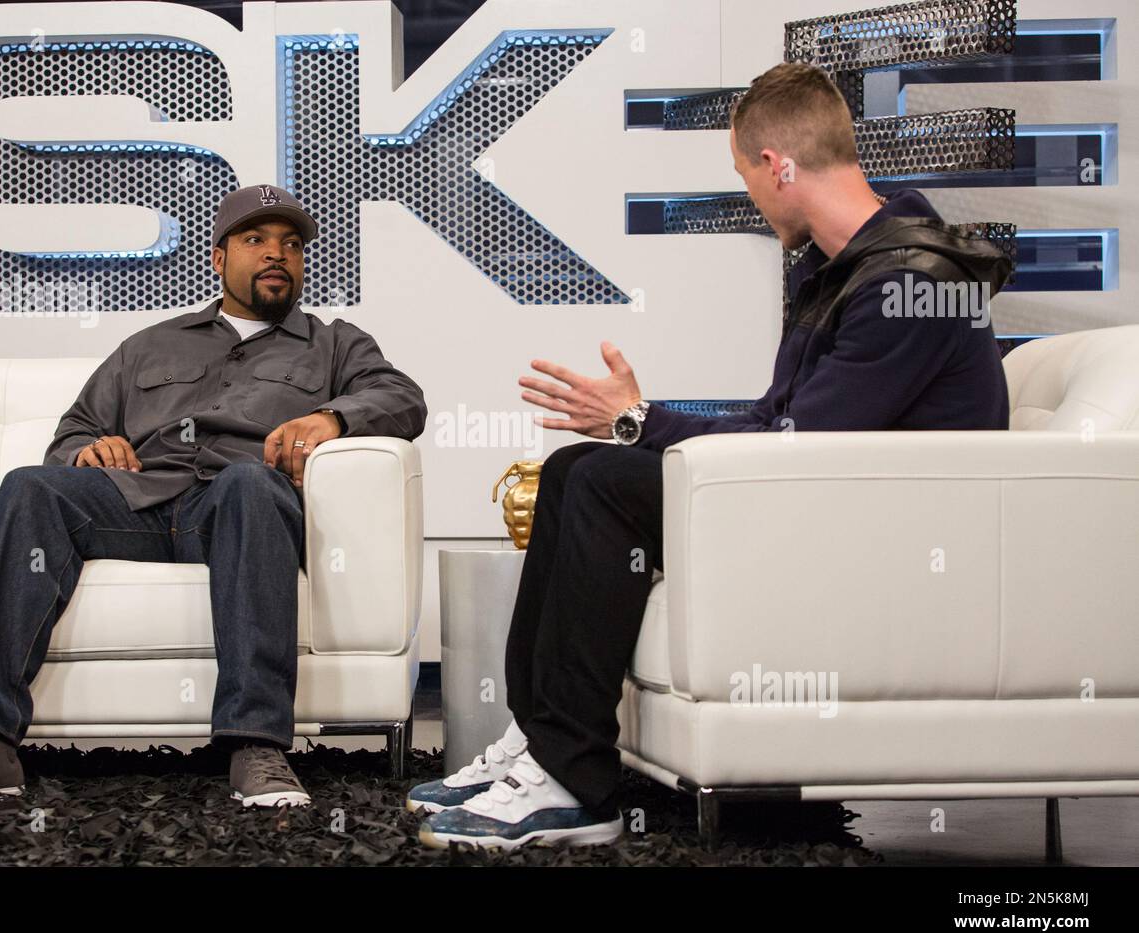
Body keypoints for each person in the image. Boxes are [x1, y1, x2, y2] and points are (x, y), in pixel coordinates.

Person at [409, 62, 1012, 850]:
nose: (753, 199)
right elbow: (776, 423)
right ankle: (544, 743)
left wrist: (636, 421)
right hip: (829, 505)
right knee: (573, 470)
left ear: (777, 166)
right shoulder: (849, 275)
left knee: (598, 482)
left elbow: (798, 454)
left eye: (744, 175)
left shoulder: (912, 284)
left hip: (887, 539)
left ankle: (572, 785)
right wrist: (634, 422)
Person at [0, 184, 426, 809]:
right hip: (136, 500)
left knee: (250, 483)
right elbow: (73, 433)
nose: (276, 254)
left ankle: (255, 744)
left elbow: (402, 398)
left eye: (291, 244)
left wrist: (332, 417)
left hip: (238, 504)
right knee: (29, 487)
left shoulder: (337, 343)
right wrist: (89, 452)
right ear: (219, 258)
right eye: (255, 240)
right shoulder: (150, 345)